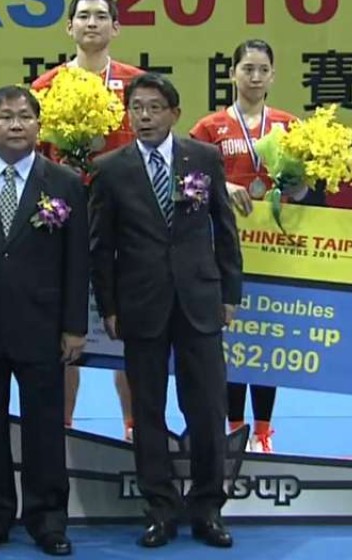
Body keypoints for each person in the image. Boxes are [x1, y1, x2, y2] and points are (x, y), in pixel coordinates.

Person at [0, 0, 140, 434]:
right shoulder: (44, 88)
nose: (92, 23)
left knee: (127, 329)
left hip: (121, 222)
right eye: (84, 16)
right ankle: (61, 426)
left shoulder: (136, 85)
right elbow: (24, 153)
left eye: (102, 16)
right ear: (69, 27)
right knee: (64, 331)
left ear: (116, 28)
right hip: (57, 224)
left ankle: (134, 425)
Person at [90, 73, 242, 549]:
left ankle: (208, 508)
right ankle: (159, 509)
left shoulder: (204, 158)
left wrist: (229, 293)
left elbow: (224, 227)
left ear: (175, 114)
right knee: (148, 411)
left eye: (155, 108)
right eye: (137, 108)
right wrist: (109, 306)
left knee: (207, 408)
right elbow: (101, 246)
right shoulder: (111, 168)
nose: (145, 116)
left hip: (199, 301)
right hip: (140, 304)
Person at [0, 85, 89, 557]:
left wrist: (74, 326)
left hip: (43, 325)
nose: (15, 125)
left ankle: (48, 518)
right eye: (5, 117)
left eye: (25, 116)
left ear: (39, 125)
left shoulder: (63, 182)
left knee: (44, 425)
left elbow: (76, 262)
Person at [190, 39, 302, 454]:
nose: (254, 77)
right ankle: (234, 425)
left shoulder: (290, 126)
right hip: (221, 246)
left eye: (262, 69)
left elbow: (309, 188)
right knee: (232, 336)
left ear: (273, 75)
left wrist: (300, 185)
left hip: (275, 248)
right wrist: (226, 184)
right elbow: (190, 181)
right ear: (232, 73)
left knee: (268, 336)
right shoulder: (209, 128)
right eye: (247, 68)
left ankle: (264, 431)